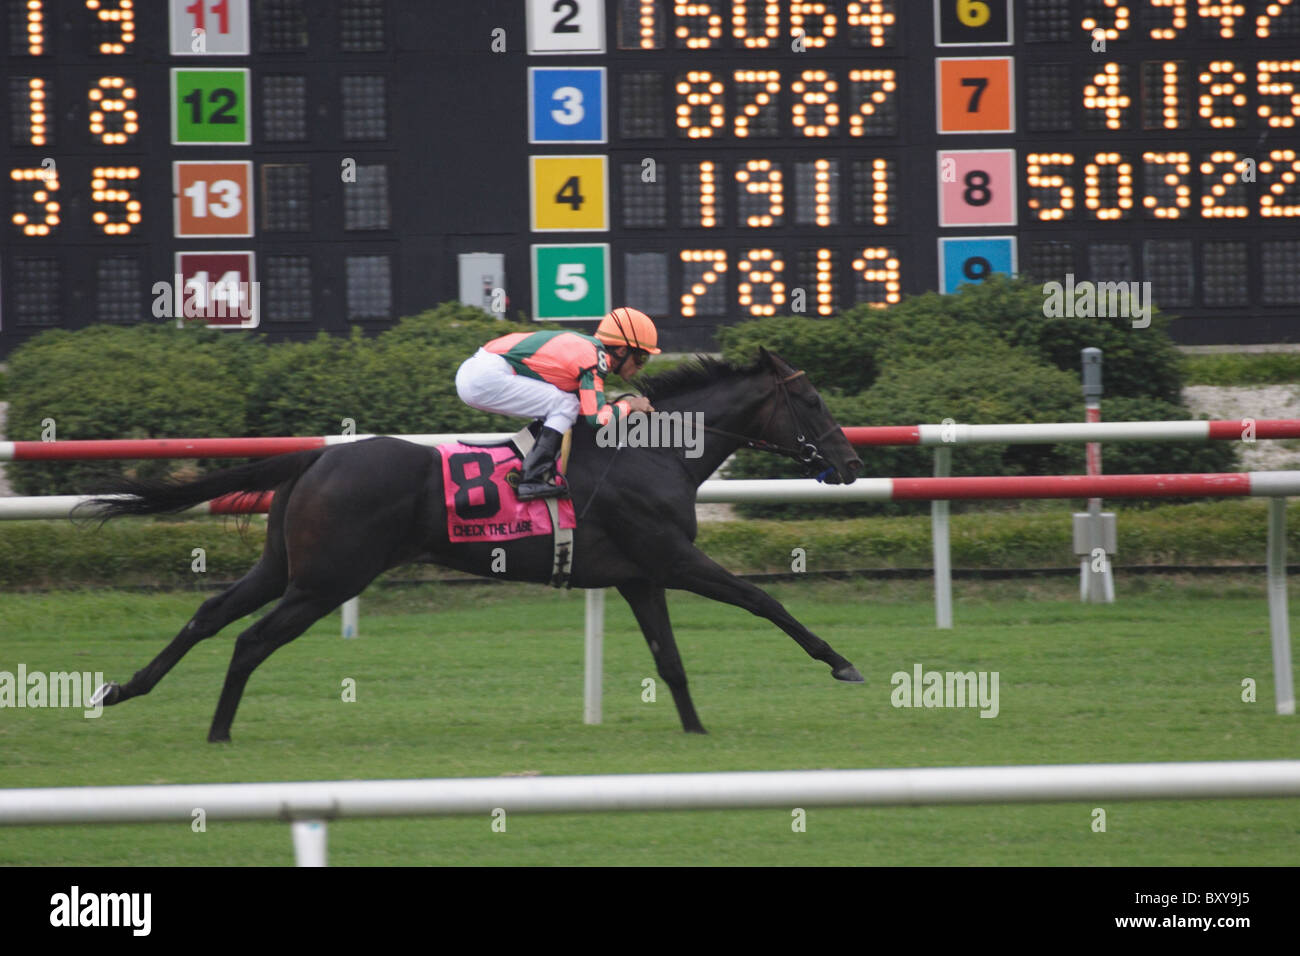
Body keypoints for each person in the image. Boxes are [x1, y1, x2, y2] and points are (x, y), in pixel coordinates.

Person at [455, 307, 661, 500]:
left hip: (479, 372)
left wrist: (619, 407)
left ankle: (534, 465)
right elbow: (597, 418)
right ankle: (532, 477)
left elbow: (586, 410)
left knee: (564, 406)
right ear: (622, 351)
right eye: (641, 357)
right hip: (485, 377)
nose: (641, 366)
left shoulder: (590, 350)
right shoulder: (595, 359)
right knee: (566, 405)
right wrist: (631, 405)